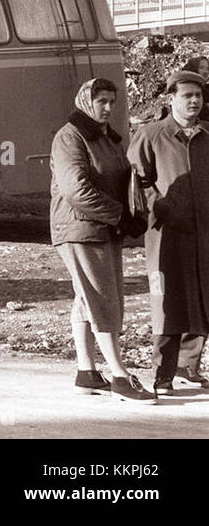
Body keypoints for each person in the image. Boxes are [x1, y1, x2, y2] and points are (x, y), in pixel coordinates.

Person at [50, 78, 154, 402]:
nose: (108, 108)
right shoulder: (70, 137)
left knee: (88, 298)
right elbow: (75, 189)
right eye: (102, 102)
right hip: (80, 229)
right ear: (86, 102)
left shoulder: (106, 138)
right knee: (103, 298)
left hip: (101, 228)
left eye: (112, 101)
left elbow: (122, 176)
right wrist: (119, 214)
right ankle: (120, 377)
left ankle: (87, 372)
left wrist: (136, 206)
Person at [129, 69, 209, 397]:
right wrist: (160, 207)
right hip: (166, 234)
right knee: (168, 302)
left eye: (198, 95)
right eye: (187, 95)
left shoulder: (208, 135)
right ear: (171, 99)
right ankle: (163, 375)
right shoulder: (151, 135)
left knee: (202, 297)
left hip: (205, 233)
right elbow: (137, 181)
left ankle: (189, 367)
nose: (194, 101)